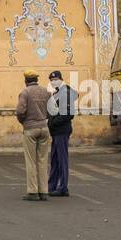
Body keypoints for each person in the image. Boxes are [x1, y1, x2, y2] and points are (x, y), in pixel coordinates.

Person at [15, 69, 52, 201]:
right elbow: (51, 111)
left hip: (30, 129)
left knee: (31, 161)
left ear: (26, 81)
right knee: (43, 160)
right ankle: (44, 191)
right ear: (37, 80)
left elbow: (20, 111)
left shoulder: (25, 92)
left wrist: (24, 122)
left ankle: (33, 191)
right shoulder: (46, 92)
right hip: (44, 128)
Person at [47, 70, 78, 198]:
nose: (53, 82)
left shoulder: (65, 93)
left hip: (61, 130)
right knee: (54, 160)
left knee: (62, 160)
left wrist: (53, 123)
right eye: (51, 80)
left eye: (55, 79)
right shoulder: (58, 93)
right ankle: (52, 186)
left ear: (61, 79)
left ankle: (63, 187)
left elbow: (69, 114)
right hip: (56, 132)